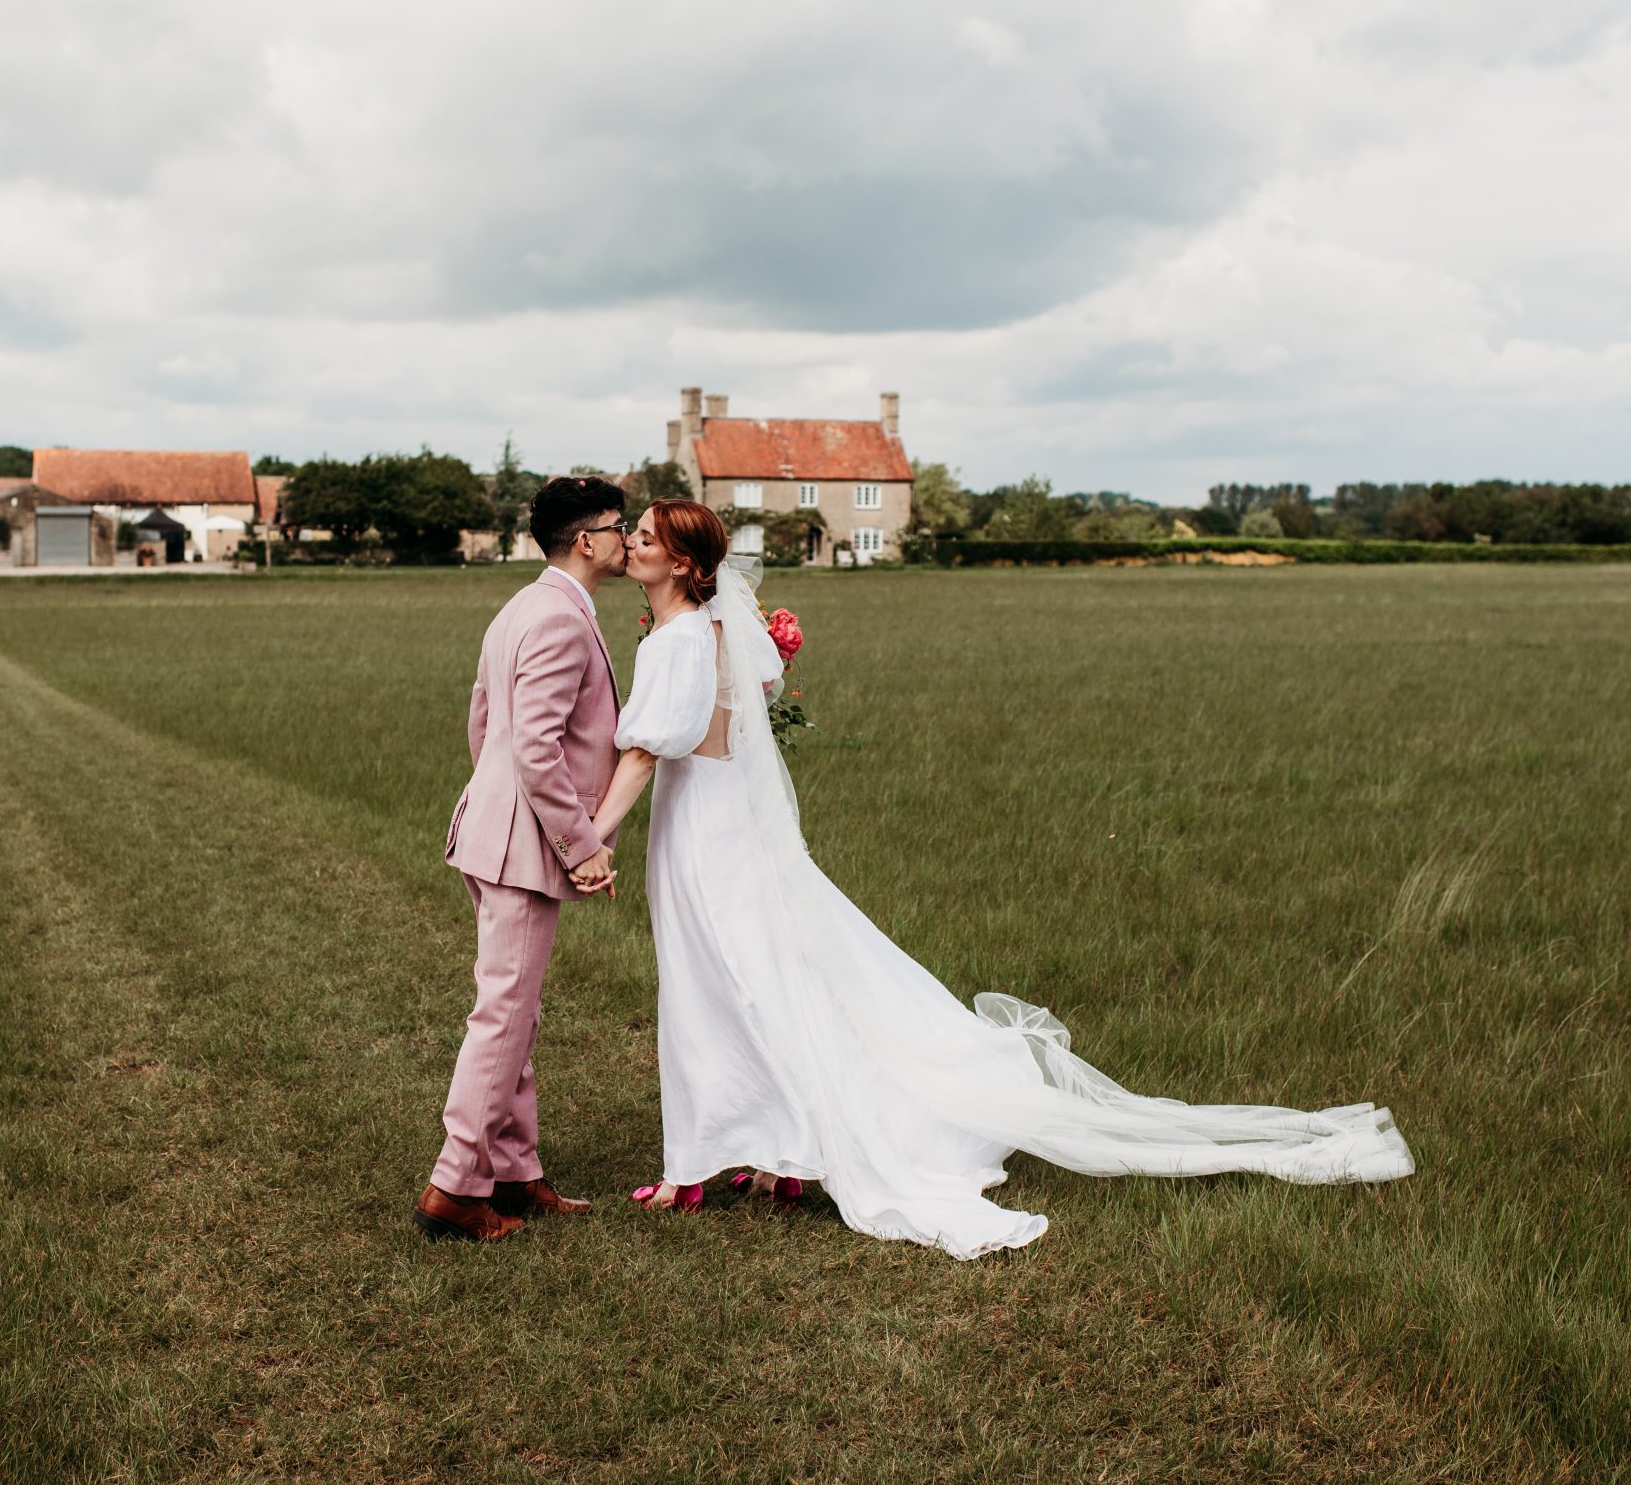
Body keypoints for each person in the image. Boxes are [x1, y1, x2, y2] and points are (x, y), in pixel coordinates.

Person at [590, 499, 1414, 1259]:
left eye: (649, 538)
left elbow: (642, 751)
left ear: (688, 566)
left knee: (711, 983)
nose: (632, 543)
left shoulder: (678, 640)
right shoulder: (720, 634)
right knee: (767, 977)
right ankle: (778, 1154)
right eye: (635, 533)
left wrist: (589, 837)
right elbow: (745, 700)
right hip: (732, 821)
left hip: (702, 828)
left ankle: (696, 1165)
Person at [412, 476, 630, 1243]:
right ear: (587, 540)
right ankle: (455, 1185)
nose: (627, 538)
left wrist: (497, 805)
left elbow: (484, 722)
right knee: (503, 1011)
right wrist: (582, 846)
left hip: (493, 830)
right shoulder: (561, 619)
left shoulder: (523, 605)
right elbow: (535, 747)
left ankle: (515, 1170)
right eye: (618, 525)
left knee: (516, 1009)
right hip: (521, 844)